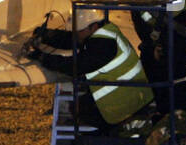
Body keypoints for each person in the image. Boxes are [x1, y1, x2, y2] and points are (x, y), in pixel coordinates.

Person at [26, 9, 154, 133]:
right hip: (133, 96)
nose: (77, 34)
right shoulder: (103, 34)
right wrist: (45, 35)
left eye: (80, 30)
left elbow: (75, 65)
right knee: (82, 104)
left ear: (94, 26)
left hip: (127, 103)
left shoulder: (103, 46)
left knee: (79, 109)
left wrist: (42, 57)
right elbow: (71, 39)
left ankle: (110, 131)